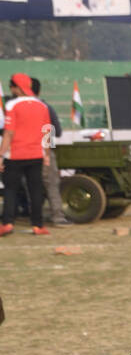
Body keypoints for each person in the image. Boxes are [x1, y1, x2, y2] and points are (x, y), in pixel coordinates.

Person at [1, 73, 52, 236]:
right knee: (36, 190)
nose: (10, 89)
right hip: (36, 154)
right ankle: (38, 226)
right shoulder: (42, 106)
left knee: (10, 189)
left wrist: (1, 155)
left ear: (17, 87)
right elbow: (48, 131)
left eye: (11, 86)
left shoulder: (12, 105)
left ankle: (8, 223)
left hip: (15, 155)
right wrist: (47, 154)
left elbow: (8, 133)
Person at [30, 77, 68, 225]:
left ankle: (34, 217)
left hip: (24, 152)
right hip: (44, 150)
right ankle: (57, 216)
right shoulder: (46, 107)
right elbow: (56, 131)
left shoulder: (15, 106)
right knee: (51, 184)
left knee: (30, 185)